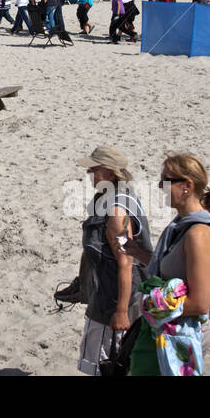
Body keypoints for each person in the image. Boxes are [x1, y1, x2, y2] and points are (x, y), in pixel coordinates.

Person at [125, 153, 210, 376]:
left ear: (186, 185)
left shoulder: (198, 233)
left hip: (181, 336)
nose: (159, 185)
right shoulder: (181, 225)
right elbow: (175, 267)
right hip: (167, 330)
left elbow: (200, 303)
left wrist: (150, 304)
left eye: (166, 180)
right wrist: (139, 253)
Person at [69, 147, 153, 376]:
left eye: (93, 169)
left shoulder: (116, 210)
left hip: (114, 299)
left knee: (105, 365)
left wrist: (121, 311)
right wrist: (83, 283)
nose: (89, 174)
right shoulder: (112, 196)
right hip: (109, 292)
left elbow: (125, 262)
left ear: (110, 172)